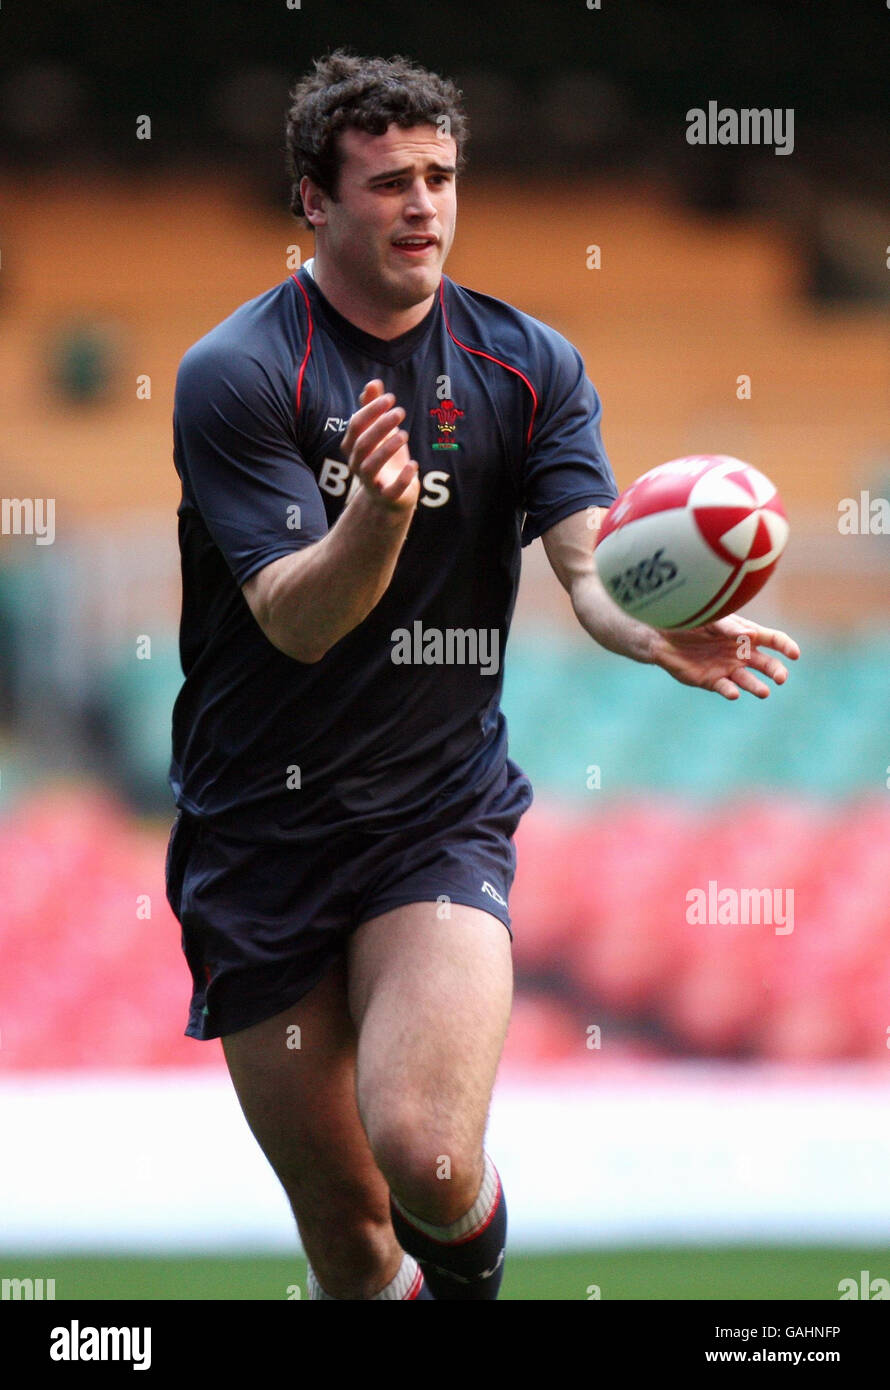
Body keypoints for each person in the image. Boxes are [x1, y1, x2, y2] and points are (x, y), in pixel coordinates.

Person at [165, 49, 799, 1301]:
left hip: (432, 818)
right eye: (389, 180)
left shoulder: (527, 367)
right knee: (351, 1240)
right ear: (313, 201)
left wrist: (652, 622)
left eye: (441, 177)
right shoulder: (236, 374)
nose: (424, 206)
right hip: (254, 837)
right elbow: (294, 620)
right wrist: (373, 527)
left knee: (429, 1151)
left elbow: (589, 570)